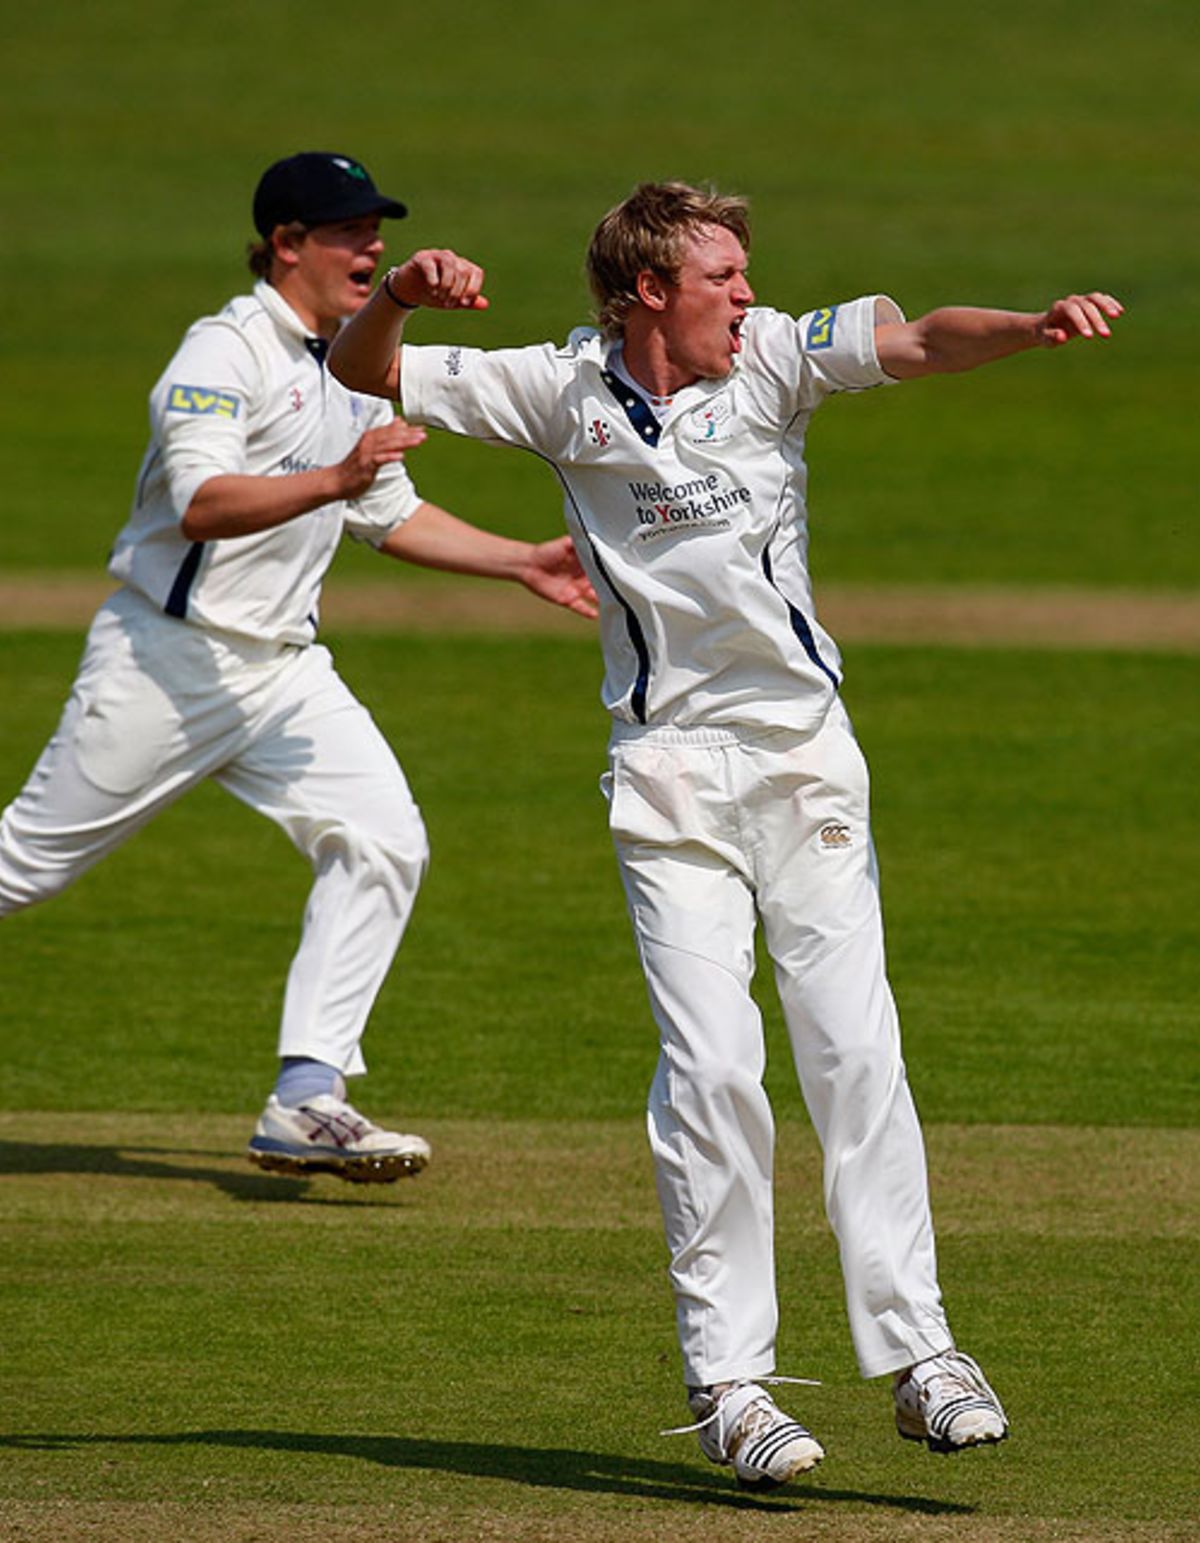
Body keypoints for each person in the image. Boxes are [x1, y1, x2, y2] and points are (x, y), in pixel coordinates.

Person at [327, 181, 1122, 1483]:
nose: (749, 295)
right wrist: (399, 295)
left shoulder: (773, 362)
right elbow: (369, 374)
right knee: (712, 1073)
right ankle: (733, 1384)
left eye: (748, 275)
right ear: (649, 289)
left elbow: (922, 337)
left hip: (805, 760)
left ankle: (922, 1356)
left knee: (853, 1046)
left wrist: (1033, 325)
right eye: (724, 276)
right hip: (668, 774)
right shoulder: (557, 387)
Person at [0, 151, 596, 1187]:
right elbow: (204, 503)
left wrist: (519, 561)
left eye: (377, 227)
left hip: (283, 671)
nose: (370, 246)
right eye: (347, 230)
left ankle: (306, 1096)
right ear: (286, 244)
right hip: (167, 662)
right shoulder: (221, 351)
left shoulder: (355, 361)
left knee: (382, 839)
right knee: (24, 868)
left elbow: (383, 509)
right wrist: (334, 474)